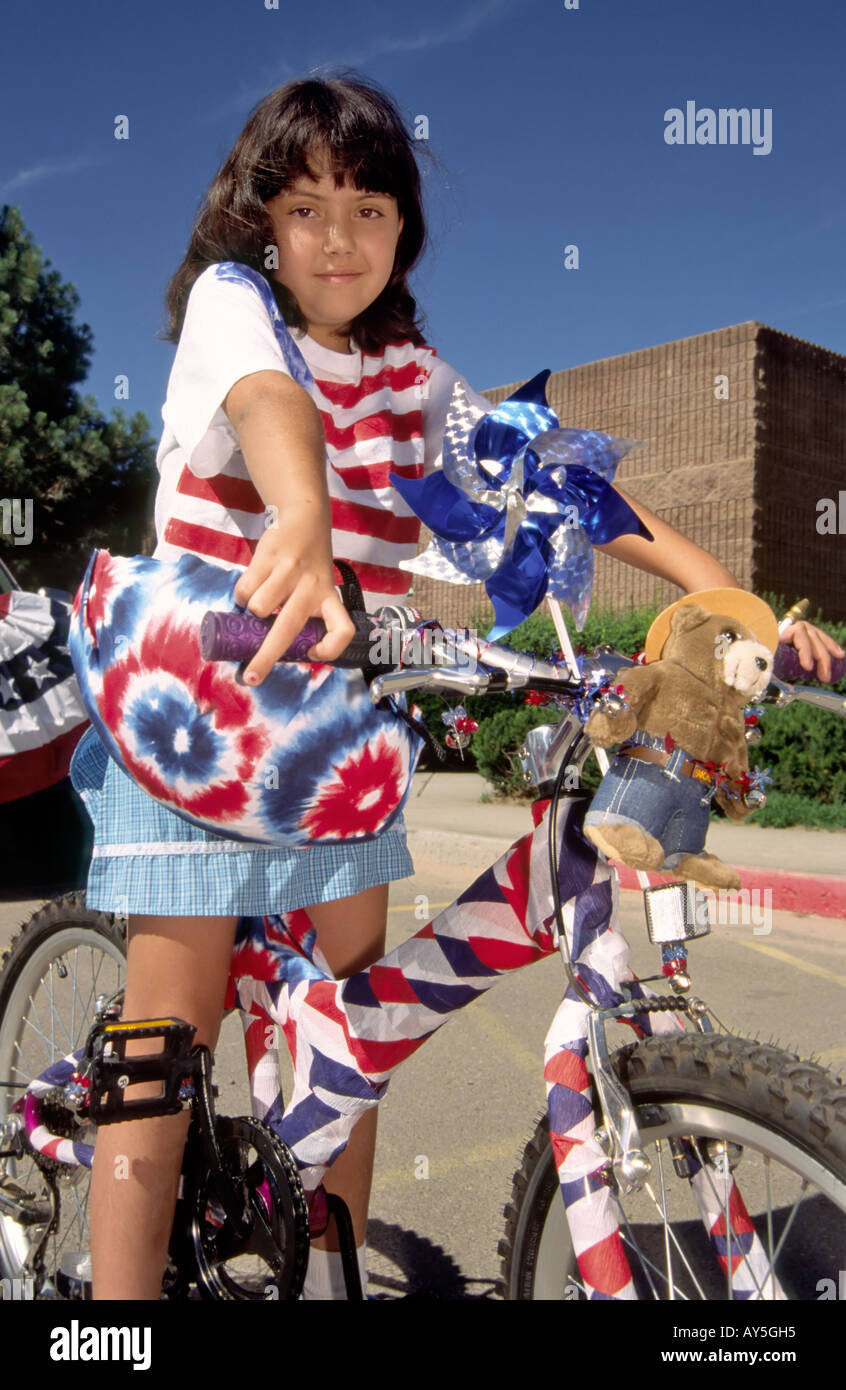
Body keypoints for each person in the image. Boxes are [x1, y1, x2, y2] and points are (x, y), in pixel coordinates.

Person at [71, 71, 844, 1303]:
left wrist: (730, 603)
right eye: (307, 207)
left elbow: (559, 487)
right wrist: (309, 513)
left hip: (334, 744)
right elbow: (269, 406)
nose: (338, 236)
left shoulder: (412, 374)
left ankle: (329, 1282)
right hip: (197, 723)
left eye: (370, 208)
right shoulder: (235, 308)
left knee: (354, 1046)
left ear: (402, 233)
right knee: (167, 1049)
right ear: (259, 222)